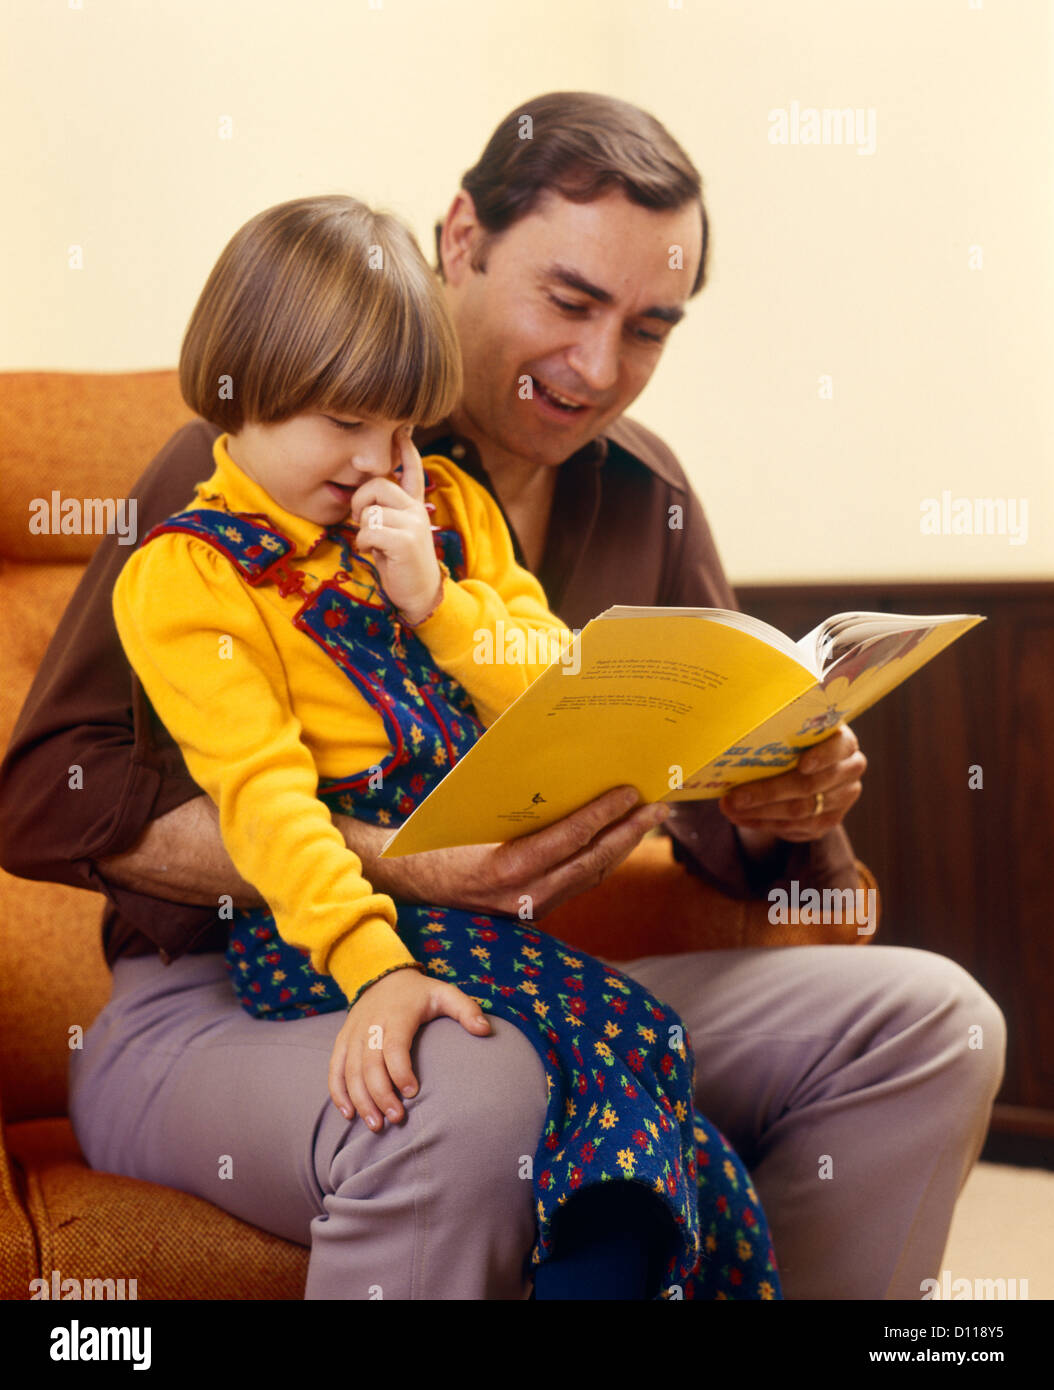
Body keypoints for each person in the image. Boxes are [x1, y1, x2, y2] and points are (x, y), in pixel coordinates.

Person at [0, 92, 1005, 1300]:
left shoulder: (640, 494)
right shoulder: (249, 482)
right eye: (569, 301)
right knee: (469, 1093)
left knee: (933, 1020)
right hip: (229, 996)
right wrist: (394, 862)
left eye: (648, 328)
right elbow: (42, 800)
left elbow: (719, 831)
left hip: (510, 968)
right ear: (461, 240)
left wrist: (786, 795)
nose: (597, 368)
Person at [104, 191, 781, 1300]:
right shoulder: (191, 575)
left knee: (666, 1109)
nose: (381, 461)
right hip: (324, 938)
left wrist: (438, 601)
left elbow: (567, 688)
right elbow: (266, 806)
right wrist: (378, 974)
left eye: (403, 428)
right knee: (630, 1034)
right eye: (344, 422)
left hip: (479, 922)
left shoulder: (448, 508)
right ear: (239, 395)